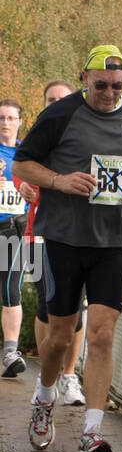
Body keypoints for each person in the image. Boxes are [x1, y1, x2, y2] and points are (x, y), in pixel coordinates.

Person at [13, 45, 122, 452]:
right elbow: (22, 165)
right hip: (64, 239)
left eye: (117, 86)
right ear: (83, 78)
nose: (110, 93)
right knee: (59, 337)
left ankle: (92, 434)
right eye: (101, 85)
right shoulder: (61, 113)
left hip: (112, 240)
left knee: (103, 334)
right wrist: (59, 180)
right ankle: (43, 399)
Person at [24, 81, 85, 406]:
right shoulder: (39, 133)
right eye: (50, 99)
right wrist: (23, 188)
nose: (56, 103)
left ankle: (68, 375)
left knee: (75, 307)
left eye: (61, 99)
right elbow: (17, 170)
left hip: (76, 235)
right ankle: (46, 374)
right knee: (46, 307)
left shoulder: (84, 132)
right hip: (39, 234)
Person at [0, 98, 38, 377]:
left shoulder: (28, 153)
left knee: (10, 287)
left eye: (11, 118)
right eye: (1, 118)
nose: (5, 123)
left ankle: (10, 353)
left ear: (20, 122)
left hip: (14, 228)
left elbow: (39, 184)